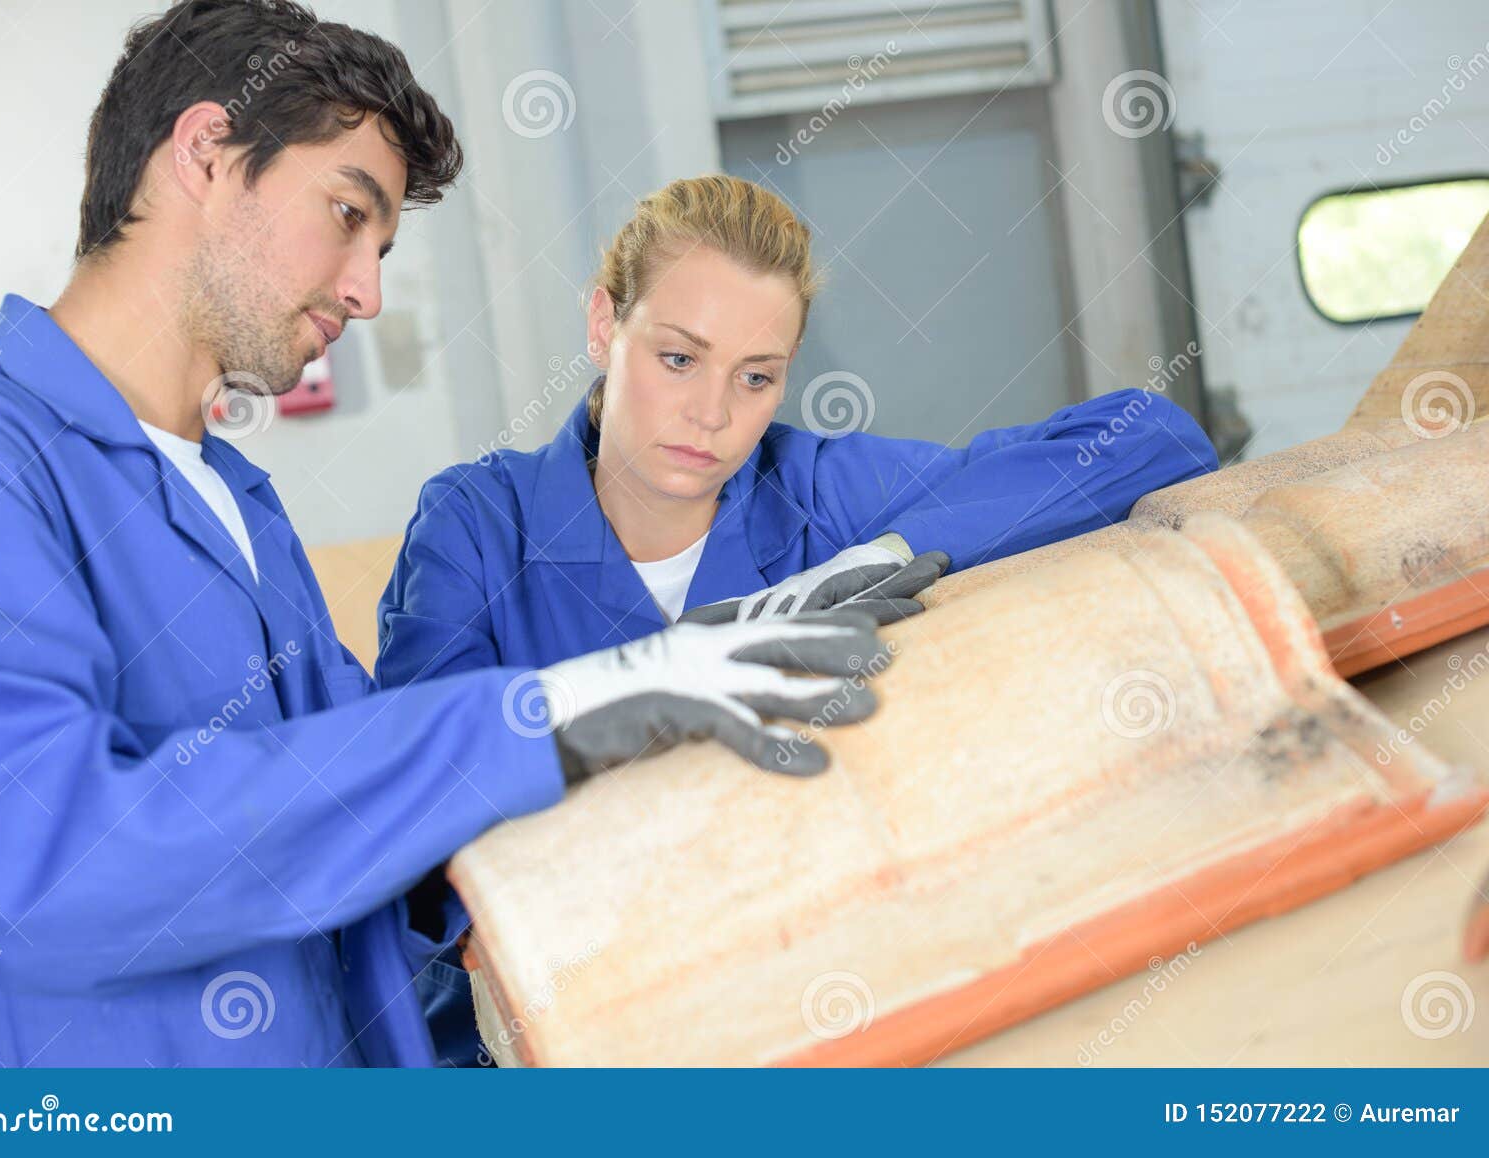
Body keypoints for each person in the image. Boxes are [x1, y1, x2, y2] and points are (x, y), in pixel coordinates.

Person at [0, 0, 888, 1068]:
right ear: (206, 153)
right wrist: (552, 713)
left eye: (383, 242)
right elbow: (46, 870)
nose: (366, 291)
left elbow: (376, 829)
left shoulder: (239, 508)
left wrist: (664, 717)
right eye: (347, 212)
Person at [373, 174, 1221, 1061]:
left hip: (775, 1007)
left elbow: (1150, 439)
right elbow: (422, 808)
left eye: (756, 376)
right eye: (677, 358)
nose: (712, 413)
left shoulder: (811, 492)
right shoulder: (477, 524)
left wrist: (887, 554)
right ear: (602, 326)